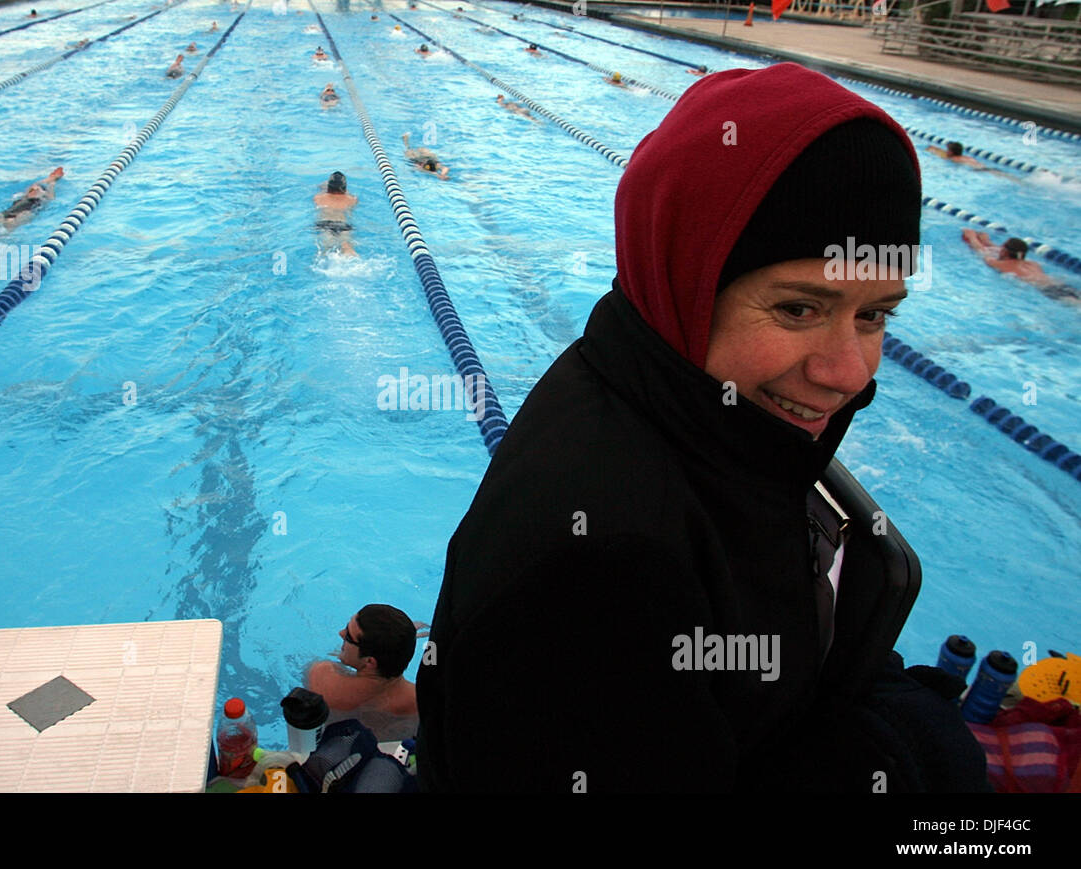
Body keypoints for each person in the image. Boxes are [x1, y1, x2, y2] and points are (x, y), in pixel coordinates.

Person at [416, 63, 990, 793]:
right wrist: (906, 754)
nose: (850, 372)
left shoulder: (680, 403)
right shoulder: (598, 572)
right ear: (688, 280)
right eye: (798, 308)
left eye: (874, 314)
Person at [306, 605, 419, 741]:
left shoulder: (323, 678)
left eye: (348, 635)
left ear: (370, 662)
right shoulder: (420, 702)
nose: (341, 633)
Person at [963, 229, 1079, 301]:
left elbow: (981, 251)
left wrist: (972, 236)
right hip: (1062, 285)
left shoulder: (1002, 265)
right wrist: (988, 242)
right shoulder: (1033, 263)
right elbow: (1004, 252)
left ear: (1005, 251)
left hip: (1049, 290)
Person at [0, 167, 63, 233]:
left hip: (24, 214)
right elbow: (36, 184)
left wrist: (52, 183)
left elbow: (51, 198)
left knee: (10, 224)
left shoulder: (41, 199)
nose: (35, 189)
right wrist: (49, 179)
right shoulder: (23, 197)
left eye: (38, 189)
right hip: (9, 212)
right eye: (33, 189)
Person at [314, 171, 358, 258]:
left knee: (327, 250)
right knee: (347, 246)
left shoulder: (318, 198)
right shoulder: (352, 199)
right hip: (343, 225)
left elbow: (323, 190)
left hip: (325, 224)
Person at [924, 141, 1012, 177]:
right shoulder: (966, 157)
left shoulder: (955, 159)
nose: (946, 151)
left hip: (978, 170)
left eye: (948, 150)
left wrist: (933, 150)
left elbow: (943, 157)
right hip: (984, 167)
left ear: (951, 152)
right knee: (1005, 175)